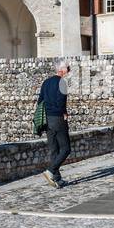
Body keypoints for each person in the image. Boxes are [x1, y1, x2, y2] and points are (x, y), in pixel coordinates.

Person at [38, 59, 72, 188]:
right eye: (68, 68)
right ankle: (50, 171)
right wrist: (64, 113)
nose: (69, 70)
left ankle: (57, 179)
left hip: (47, 119)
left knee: (54, 150)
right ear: (62, 70)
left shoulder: (46, 82)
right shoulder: (62, 82)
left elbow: (40, 100)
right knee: (66, 148)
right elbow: (61, 101)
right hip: (57, 118)